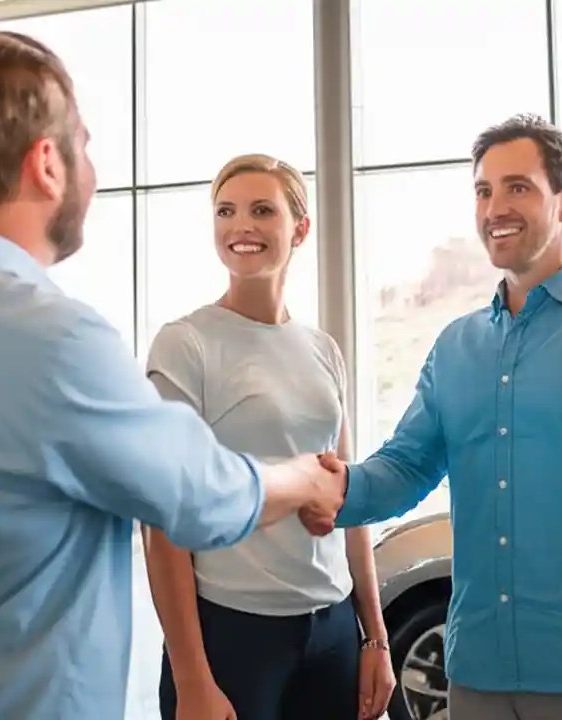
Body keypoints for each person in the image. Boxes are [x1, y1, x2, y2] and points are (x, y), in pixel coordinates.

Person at [0, 31, 345, 720]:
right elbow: (201, 498)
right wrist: (305, 478)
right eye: (83, 146)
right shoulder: (52, 339)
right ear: (46, 165)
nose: (91, 170)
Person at [311, 113, 562, 720]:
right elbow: (408, 466)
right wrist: (338, 489)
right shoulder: (456, 346)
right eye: (483, 191)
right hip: (477, 673)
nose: (495, 207)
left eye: (517, 187)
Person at [144, 154, 397, 720]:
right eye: (226, 211)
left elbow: (346, 496)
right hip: (233, 632)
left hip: (333, 627)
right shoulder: (186, 343)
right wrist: (191, 678)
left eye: (262, 210)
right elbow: (163, 522)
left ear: (299, 229)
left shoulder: (322, 349)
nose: (241, 226)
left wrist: (375, 638)